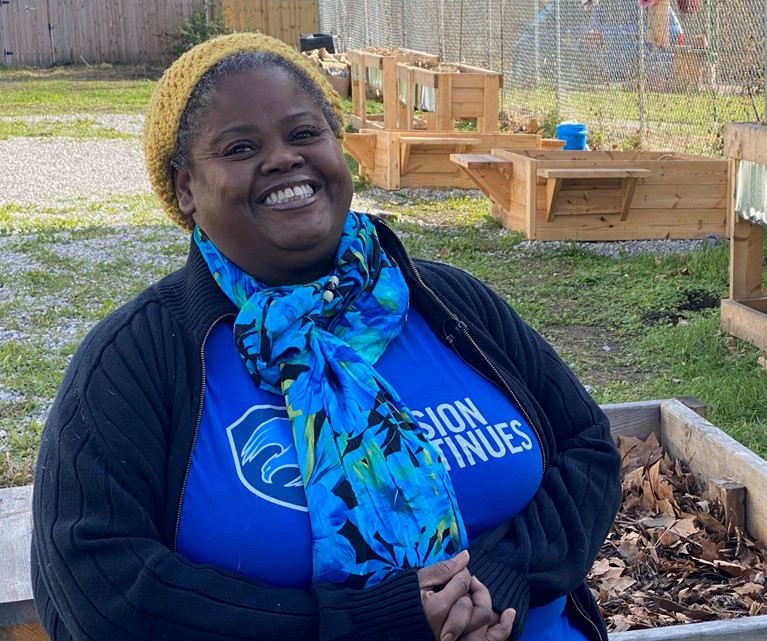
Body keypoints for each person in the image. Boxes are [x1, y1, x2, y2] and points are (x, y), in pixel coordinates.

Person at [31, 32, 621, 641]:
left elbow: (587, 448)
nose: (283, 159)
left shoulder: (445, 300)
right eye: (240, 147)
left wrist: (504, 578)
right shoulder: (138, 359)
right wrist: (368, 625)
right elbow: (98, 589)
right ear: (185, 187)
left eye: (305, 133)